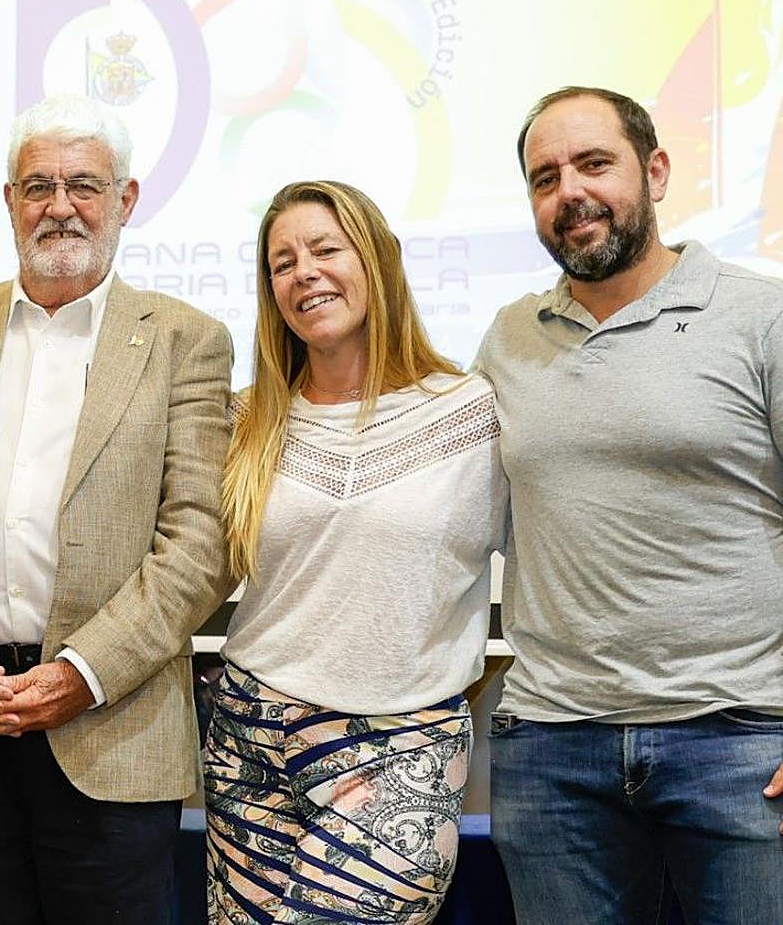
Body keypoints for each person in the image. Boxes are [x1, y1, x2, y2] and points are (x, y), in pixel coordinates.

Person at [0, 94, 234, 922]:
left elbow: (199, 541)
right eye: (37, 185)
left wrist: (82, 675)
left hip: (110, 728)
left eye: (84, 184)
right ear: (9, 202)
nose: (59, 205)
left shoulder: (188, 338)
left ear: (126, 199)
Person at [476, 86, 783, 922]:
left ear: (654, 172)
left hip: (742, 741)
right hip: (551, 749)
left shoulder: (761, 318)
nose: (569, 191)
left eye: (594, 164)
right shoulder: (508, 337)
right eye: (545, 177)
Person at [206, 180, 504, 923]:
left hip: (399, 745)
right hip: (250, 737)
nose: (304, 271)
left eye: (326, 249)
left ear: (377, 260)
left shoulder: (471, 413)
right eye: (282, 262)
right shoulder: (246, 422)